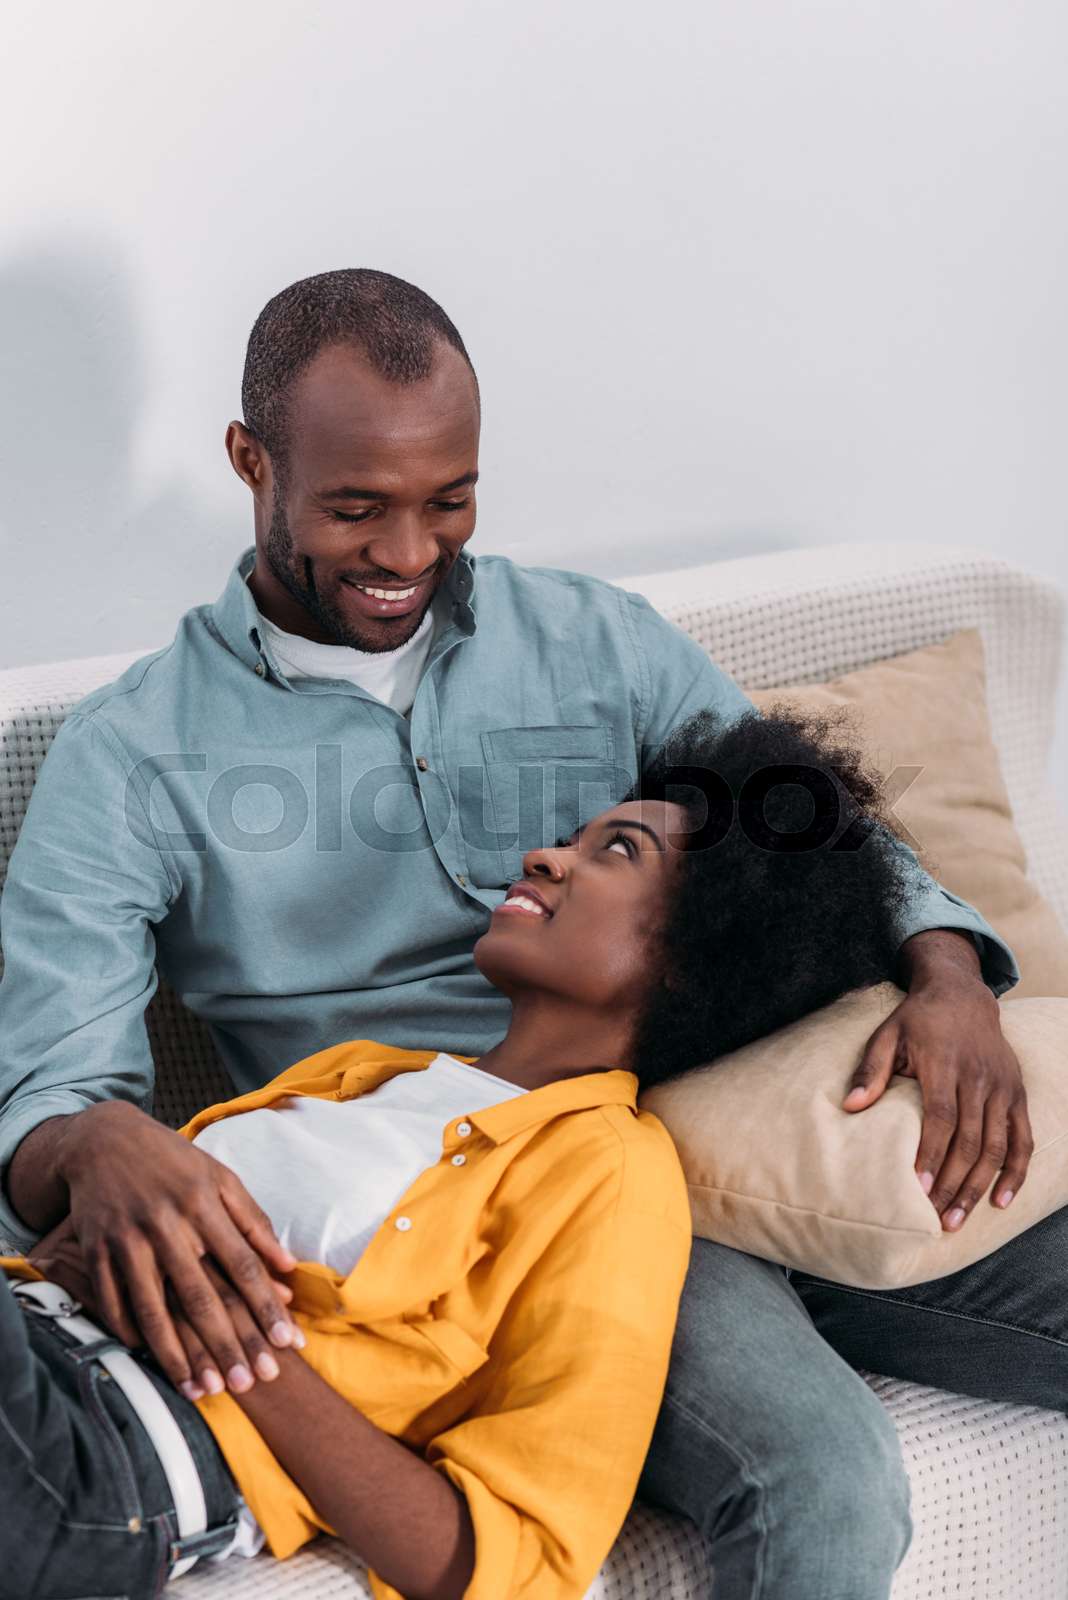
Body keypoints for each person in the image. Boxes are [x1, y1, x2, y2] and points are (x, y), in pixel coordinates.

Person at [0, 270, 1049, 1599]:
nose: (408, 554)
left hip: (742, 1110)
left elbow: (801, 821)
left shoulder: (592, 639)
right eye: (356, 509)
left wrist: (948, 971)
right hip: (483, 1219)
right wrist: (93, 1140)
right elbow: (55, 1095)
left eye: (450, 501)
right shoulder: (135, 754)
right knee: (823, 1472)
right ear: (250, 461)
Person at [2, 708, 911, 1600]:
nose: (544, 857)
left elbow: (506, 1562)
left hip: (92, 1447)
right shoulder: (360, 1074)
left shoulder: (608, 1173)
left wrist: (251, 1348)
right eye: (575, 838)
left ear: (692, 957)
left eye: (617, 852)